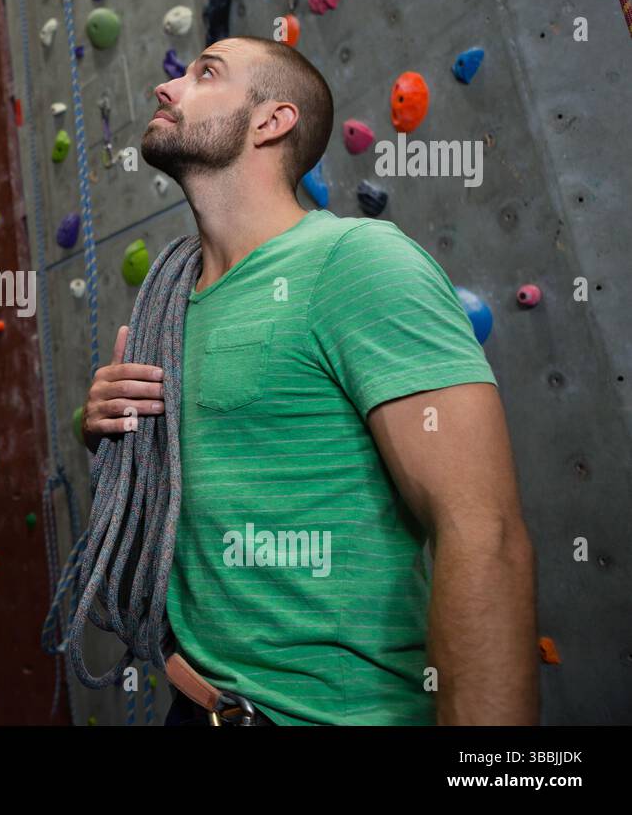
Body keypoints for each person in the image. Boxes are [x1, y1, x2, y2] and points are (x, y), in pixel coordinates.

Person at [80, 37, 537, 725]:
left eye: (207, 74)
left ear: (272, 121)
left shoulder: (355, 262)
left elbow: (483, 531)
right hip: (196, 703)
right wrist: (104, 426)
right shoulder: (173, 296)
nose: (167, 89)